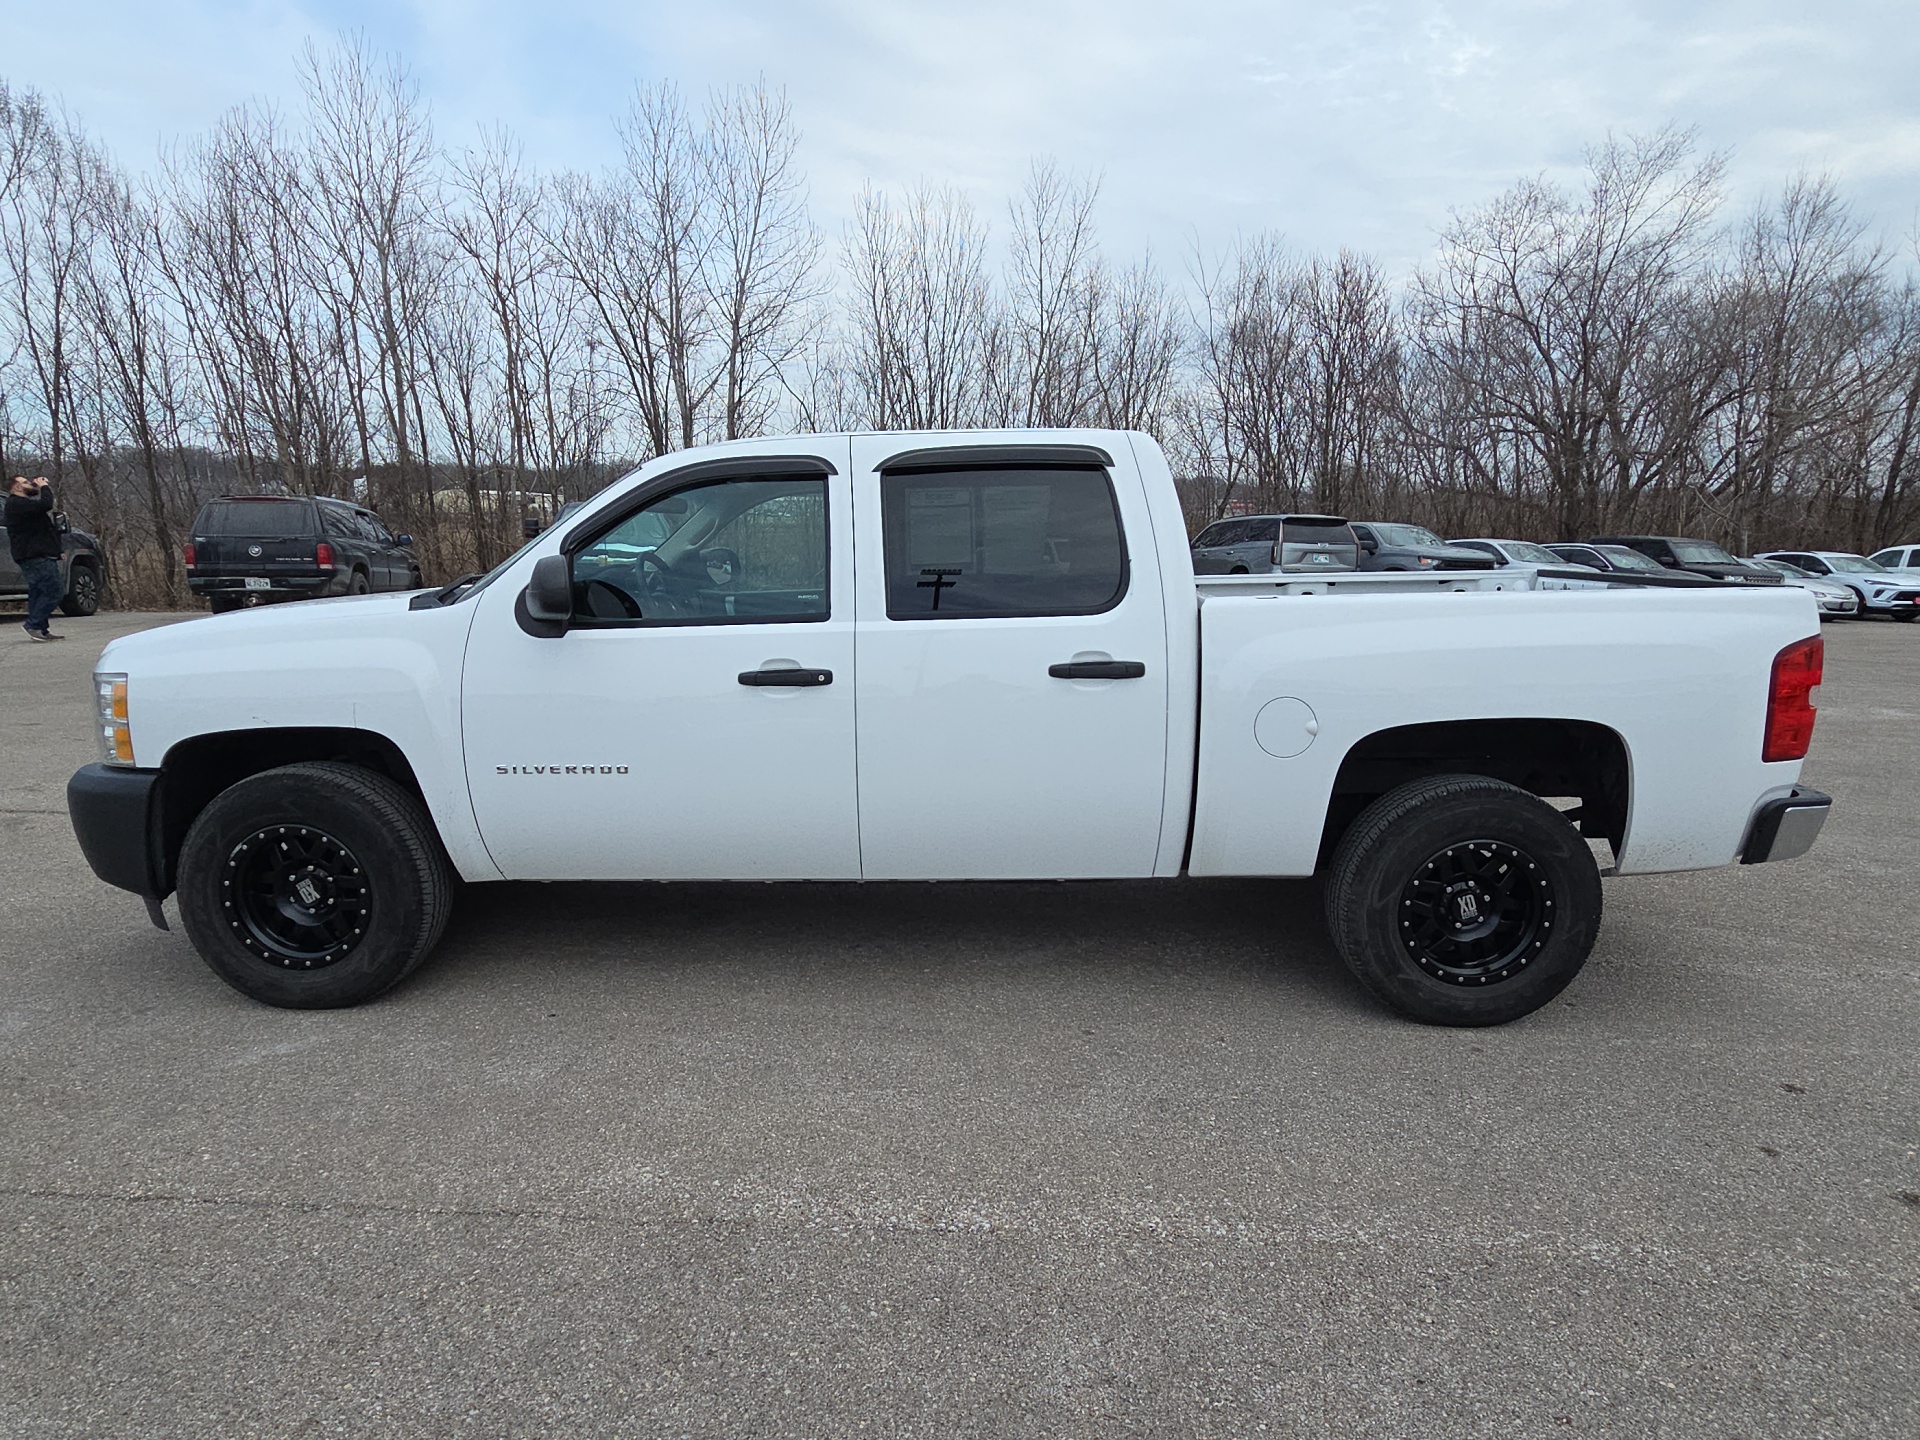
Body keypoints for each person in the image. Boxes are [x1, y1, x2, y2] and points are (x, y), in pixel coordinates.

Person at [6, 475, 64, 641]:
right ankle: (33, 624)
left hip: (38, 553)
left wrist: (58, 550)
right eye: (25, 482)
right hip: (33, 555)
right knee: (54, 590)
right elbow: (46, 504)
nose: (30, 484)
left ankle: (41, 629)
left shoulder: (25, 506)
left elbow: (45, 529)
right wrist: (44, 486)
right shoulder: (16, 504)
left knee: (38, 592)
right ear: (16, 487)